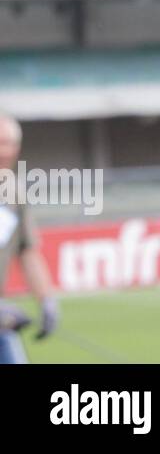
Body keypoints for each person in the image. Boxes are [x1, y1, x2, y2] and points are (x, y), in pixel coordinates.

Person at [0, 113, 59, 363]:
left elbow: (27, 251)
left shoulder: (14, 193)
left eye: (9, 143)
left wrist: (46, 300)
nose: (4, 151)